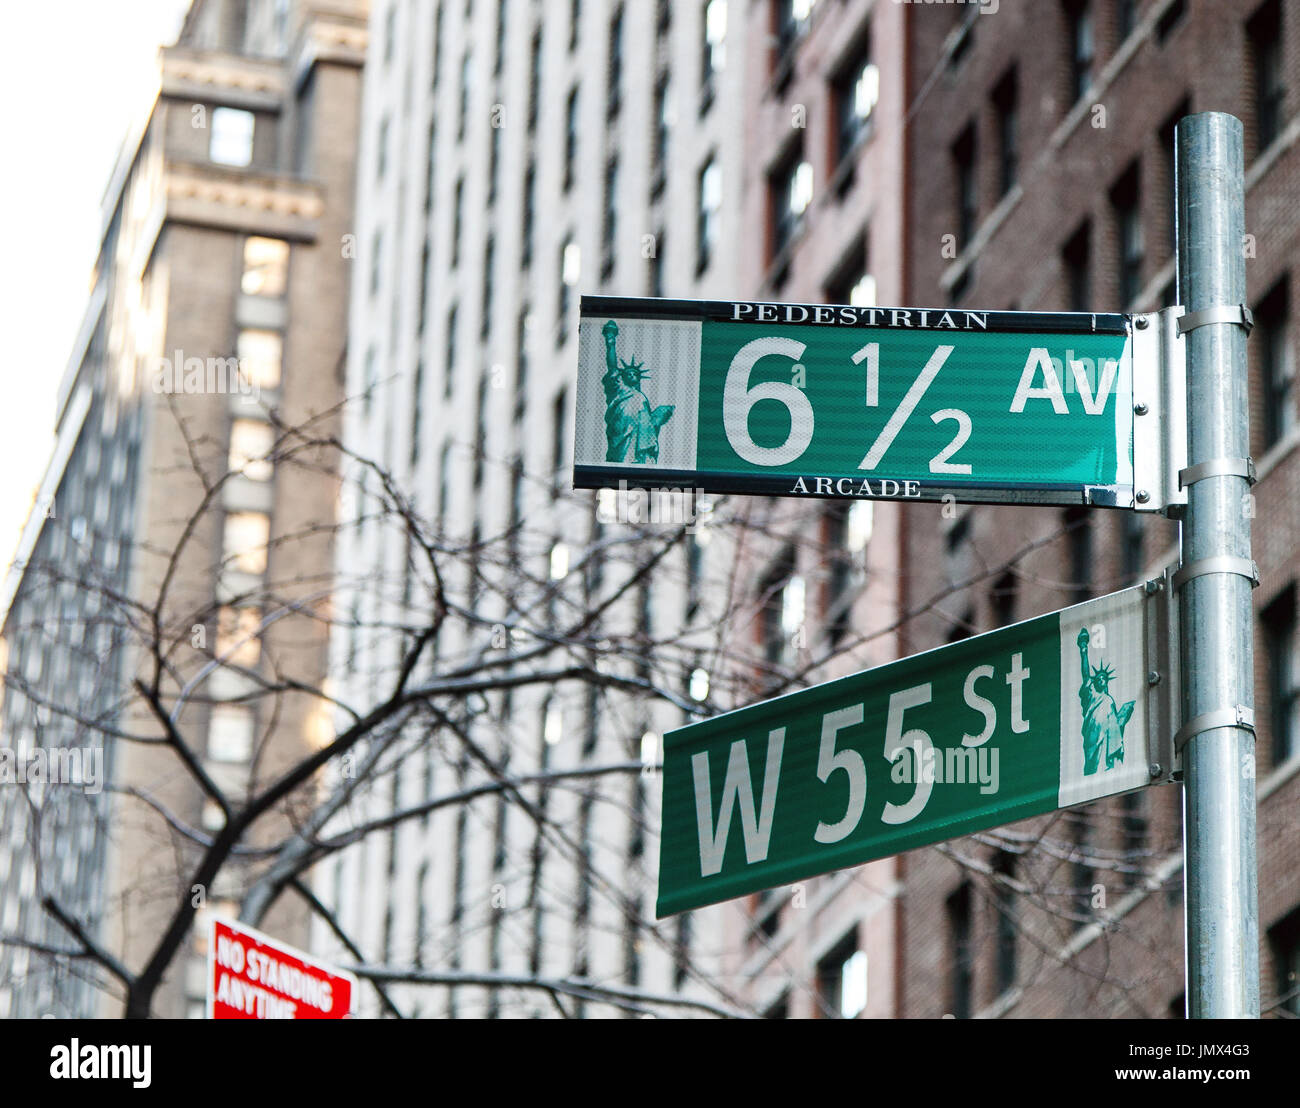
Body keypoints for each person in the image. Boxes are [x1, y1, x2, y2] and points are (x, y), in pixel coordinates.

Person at [601, 320, 673, 464]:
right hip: (620, 429)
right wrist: (611, 342)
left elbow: (649, 425)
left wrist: (659, 416)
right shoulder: (619, 389)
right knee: (620, 458)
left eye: (635, 374)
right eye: (629, 373)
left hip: (638, 438)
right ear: (623, 376)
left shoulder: (641, 397)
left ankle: (640, 458)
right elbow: (613, 368)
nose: (632, 375)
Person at [1077, 627, 1135, 775]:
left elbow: (1115, 725)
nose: (1101, 679)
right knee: (1091, 764)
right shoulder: (1091, 693)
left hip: (1107, 738)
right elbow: (1085, 674)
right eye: (1098, 678)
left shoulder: (1109, 700)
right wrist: (1083, 649)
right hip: (1092, 731)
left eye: (1104, 678)